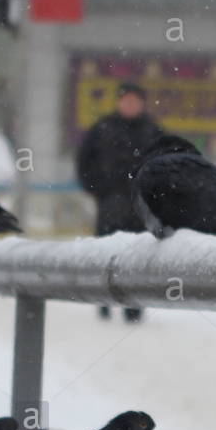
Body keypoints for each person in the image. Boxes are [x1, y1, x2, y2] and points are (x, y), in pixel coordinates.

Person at [75, 81, 164, 321]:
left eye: (135, 101)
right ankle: (103, 302)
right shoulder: (102, 129)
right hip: (109, 205)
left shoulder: (154, 132)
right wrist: (100, 190)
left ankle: (134, 306)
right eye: (126, 100)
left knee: (138, 256)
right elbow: (84, 164)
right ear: (118, 102)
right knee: (105, 254)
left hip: (141, 208)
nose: (130, 105)